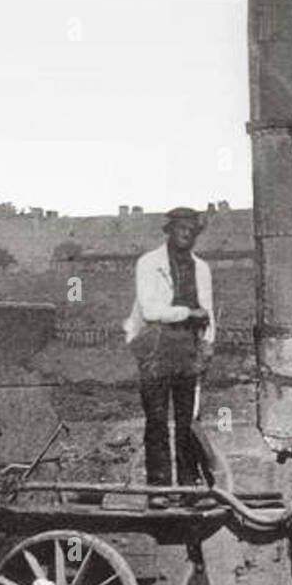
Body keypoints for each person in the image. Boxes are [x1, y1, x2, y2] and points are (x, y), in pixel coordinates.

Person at [122, 207, 216, 486]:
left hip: (188, 347)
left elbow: (208, 309)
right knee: (157, 421)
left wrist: (209, 343)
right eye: (181, 229)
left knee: (188, 422)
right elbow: (151, 310)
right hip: (156, 346)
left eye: (192, 231)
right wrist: (187, 313)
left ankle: (188, 483)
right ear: (170, 231)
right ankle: (159, 487)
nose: (186, 234)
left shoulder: (201, 268)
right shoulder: (149, 263)